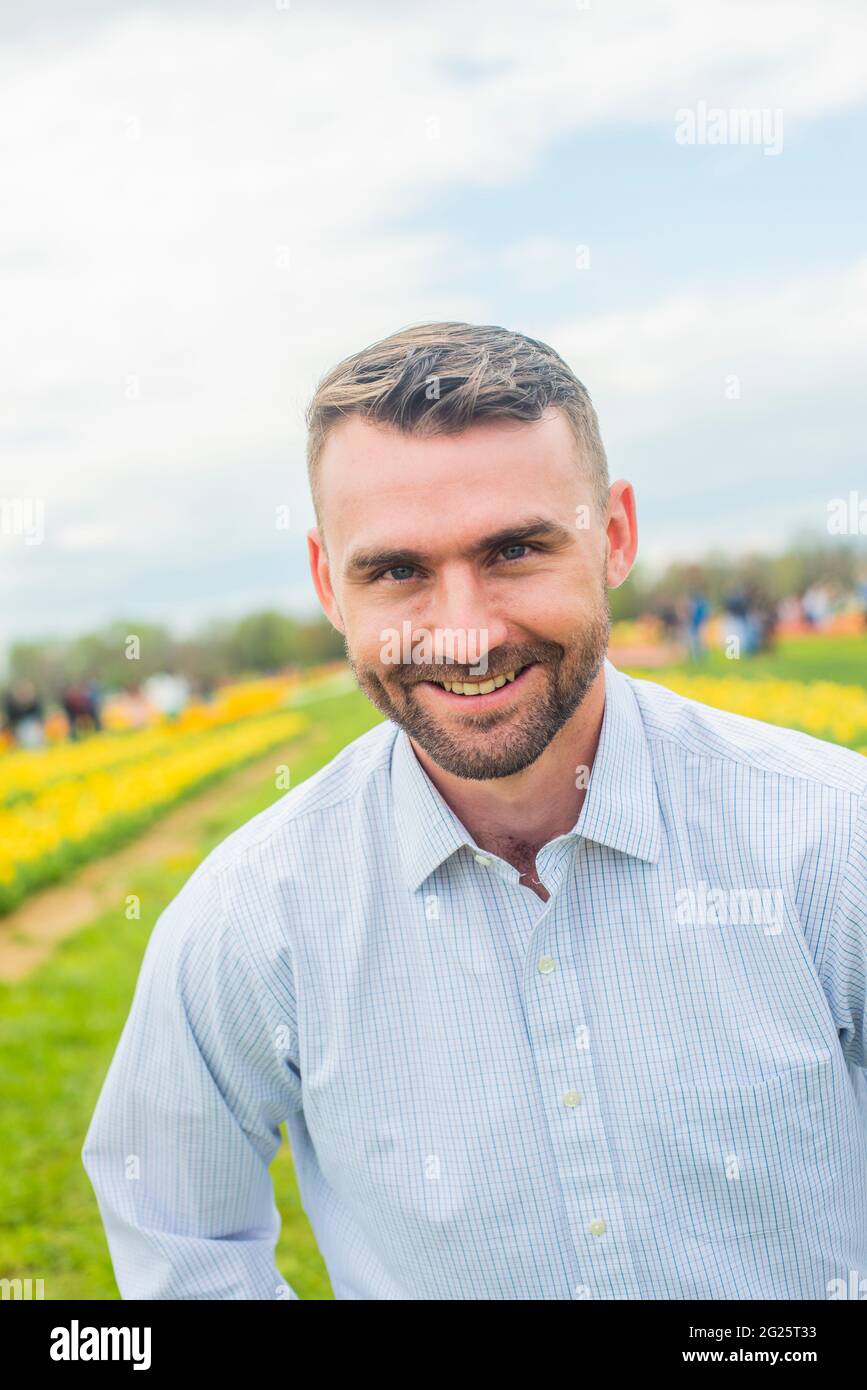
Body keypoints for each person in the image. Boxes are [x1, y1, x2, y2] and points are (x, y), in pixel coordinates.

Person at [82, 321, 867, 1301]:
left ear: (614, 535)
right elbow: (179, 1234)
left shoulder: (835, 840)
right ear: (331, 583)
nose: (464, 633)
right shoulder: (248, 919)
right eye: (398, 570)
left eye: (514, 548)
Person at [3, 678, 46, 748]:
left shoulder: (36, 705)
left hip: (33, 733)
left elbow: (39, 722)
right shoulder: (12, 707)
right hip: (18, 733)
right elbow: (10, 723)